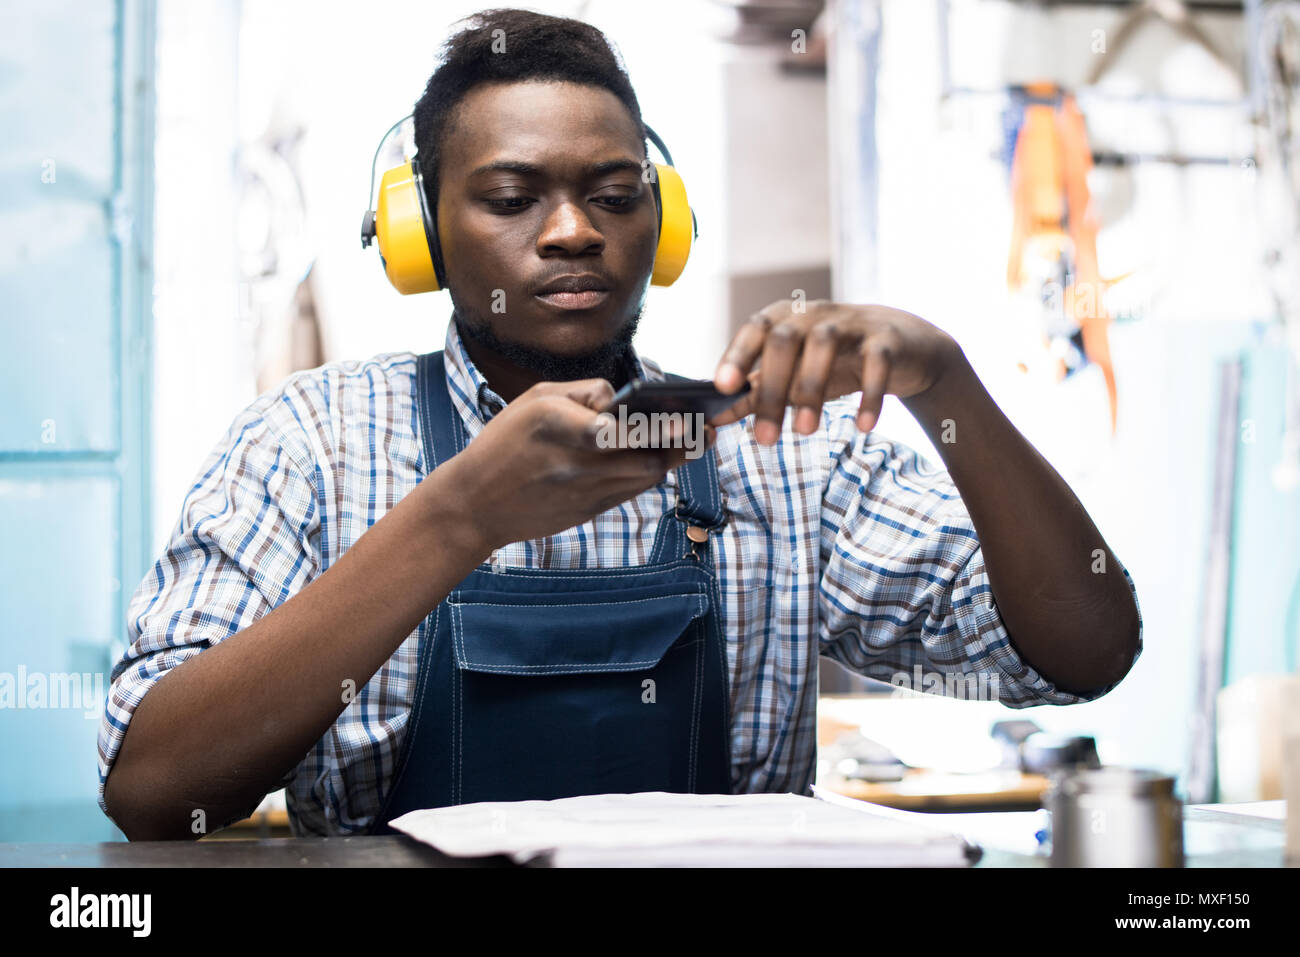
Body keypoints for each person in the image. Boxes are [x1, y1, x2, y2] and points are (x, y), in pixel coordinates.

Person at [99, 8, 1142, 841]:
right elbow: (155, 789)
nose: (570, 232)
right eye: (511, 196)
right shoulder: (308, 444)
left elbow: (1080, 653)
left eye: (614, 194)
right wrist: (455, 520)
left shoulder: (780, 452)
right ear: (419, 229)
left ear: (664, 223)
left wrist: (947, 387)